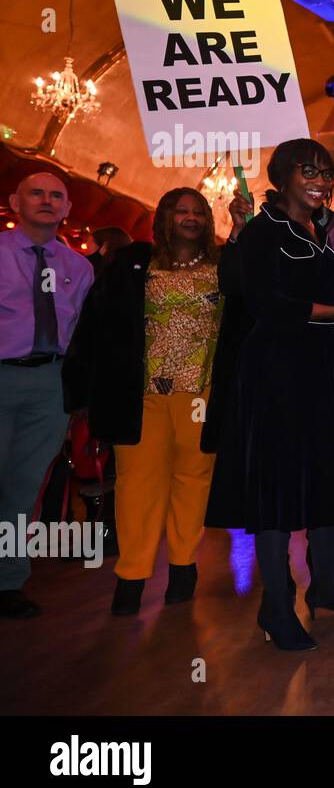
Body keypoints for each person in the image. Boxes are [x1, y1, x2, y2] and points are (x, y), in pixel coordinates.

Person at [206, 139, 334, 650]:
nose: (322, 181)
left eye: (327, 173)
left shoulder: (316, 230)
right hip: (277, 372)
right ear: (281, 177)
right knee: (278, 490)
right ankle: (276, 606)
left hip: (321, 369)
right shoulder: (264, 231)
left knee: (325, 476)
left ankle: (327, 586)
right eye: (310, 171)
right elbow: (266, 302)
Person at [64, 188, 223, 616]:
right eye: (181, 211)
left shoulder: (223, 266)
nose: (190, 218)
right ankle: (131, 575)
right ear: (164, 218)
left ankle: (183, 566)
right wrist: (81, 390)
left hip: (201, 394)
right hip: (142, 394)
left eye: (198, 212)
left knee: (193, 481)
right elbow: (96, 324)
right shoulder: (134, 262)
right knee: (136, 484)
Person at [0, 172, 93, 618]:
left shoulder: (80, 268)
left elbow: (82, 335)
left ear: (68, 209)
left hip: (49, 384)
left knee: (24, 488)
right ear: (15, 201)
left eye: (57, 195)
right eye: (36, 192)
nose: (46, 200)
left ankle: (8, 582)